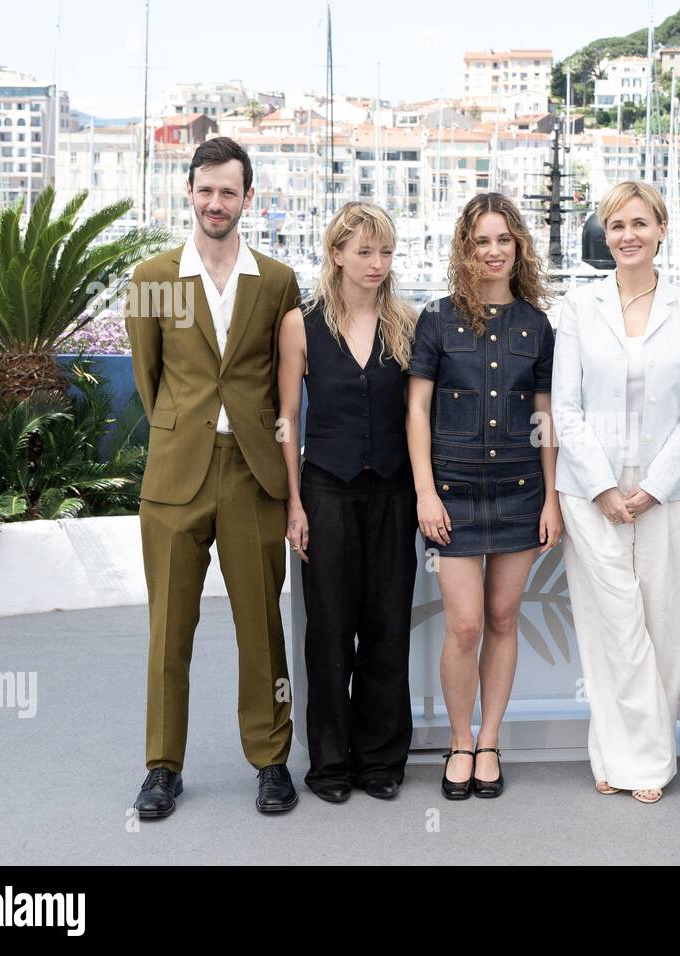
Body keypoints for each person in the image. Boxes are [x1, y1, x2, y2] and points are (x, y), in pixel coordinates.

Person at [126, 137, 302, 818]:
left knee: (263, 628)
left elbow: (282, 384)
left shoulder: (278, 280)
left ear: (247, 197)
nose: (216, 202)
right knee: (169, 629)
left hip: (253, 475)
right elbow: (150, 380)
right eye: (205, 190)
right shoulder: (153, 279)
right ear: (190, 192)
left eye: (229, 191)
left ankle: (271, 761)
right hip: (176, 476)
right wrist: (184, 429)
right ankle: (162, 767)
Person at [552, 181, 680, 804]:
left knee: (666, 624)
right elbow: (565, 408)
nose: (628, 235)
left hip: (668, 496)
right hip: (590, 497)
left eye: (639, 223)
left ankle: (647, 758)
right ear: (604, 232)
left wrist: (649, 488)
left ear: (661, 228)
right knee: (611, 625)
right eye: (616, 225)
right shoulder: (578, 306)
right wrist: (600, 488)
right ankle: (615, 751)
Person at [405, 193, 562, 800]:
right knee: (465, 626)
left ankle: (491, 741)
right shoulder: (437, 319)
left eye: (503, 240)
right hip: (454, 497)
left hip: (521, 494)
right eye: (481, 243)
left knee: (502, 619)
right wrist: (425, 492)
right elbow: (417, 409)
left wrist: (551, 497)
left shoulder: (537, 325)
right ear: (464, 252)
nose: (493, 253)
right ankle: (460, 741)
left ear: (518, 246)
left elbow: (545, 417)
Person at [277, 202, 418, 803]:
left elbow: (420, 415)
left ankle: (381, 759)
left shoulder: (408, 323)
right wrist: (293, 504)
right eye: (364, 252)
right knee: (329, 631)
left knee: (387, 628)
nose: (376, 264)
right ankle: (330, 764)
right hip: (325, 491)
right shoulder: (299, 325)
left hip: (394, 491)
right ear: (336, 254)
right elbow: (286, 419)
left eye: (384, 252)